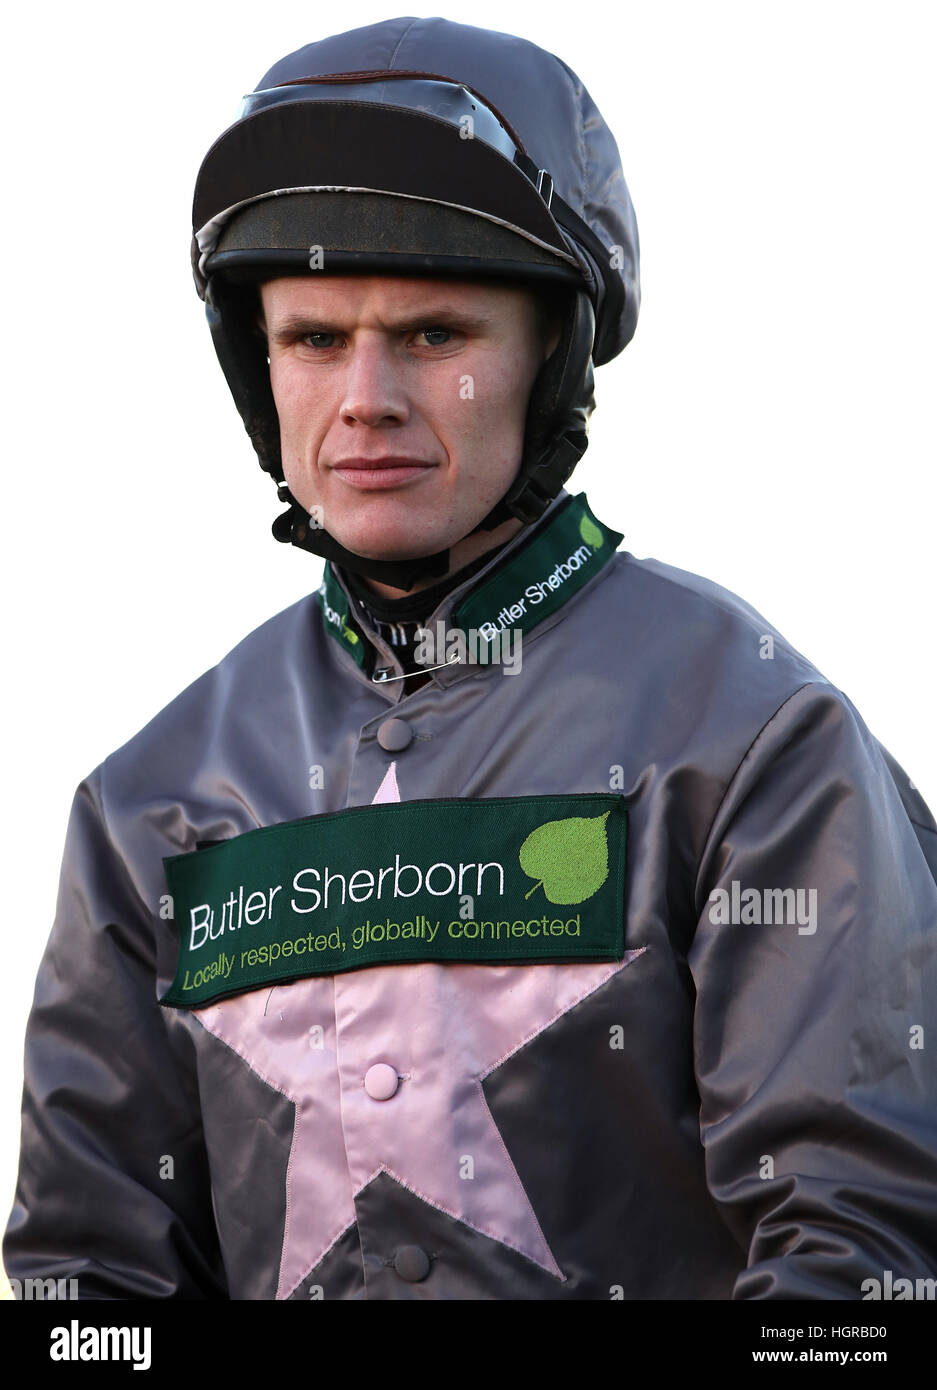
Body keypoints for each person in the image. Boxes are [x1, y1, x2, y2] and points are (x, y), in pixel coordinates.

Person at [4, 15, 937, 1302]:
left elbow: (859, 1256)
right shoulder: (144, 802)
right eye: (315, 339)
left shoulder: (758, 735)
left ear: (548, 356)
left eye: (435, 335)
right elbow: (82, 1293)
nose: (366, 397)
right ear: (256, 366)